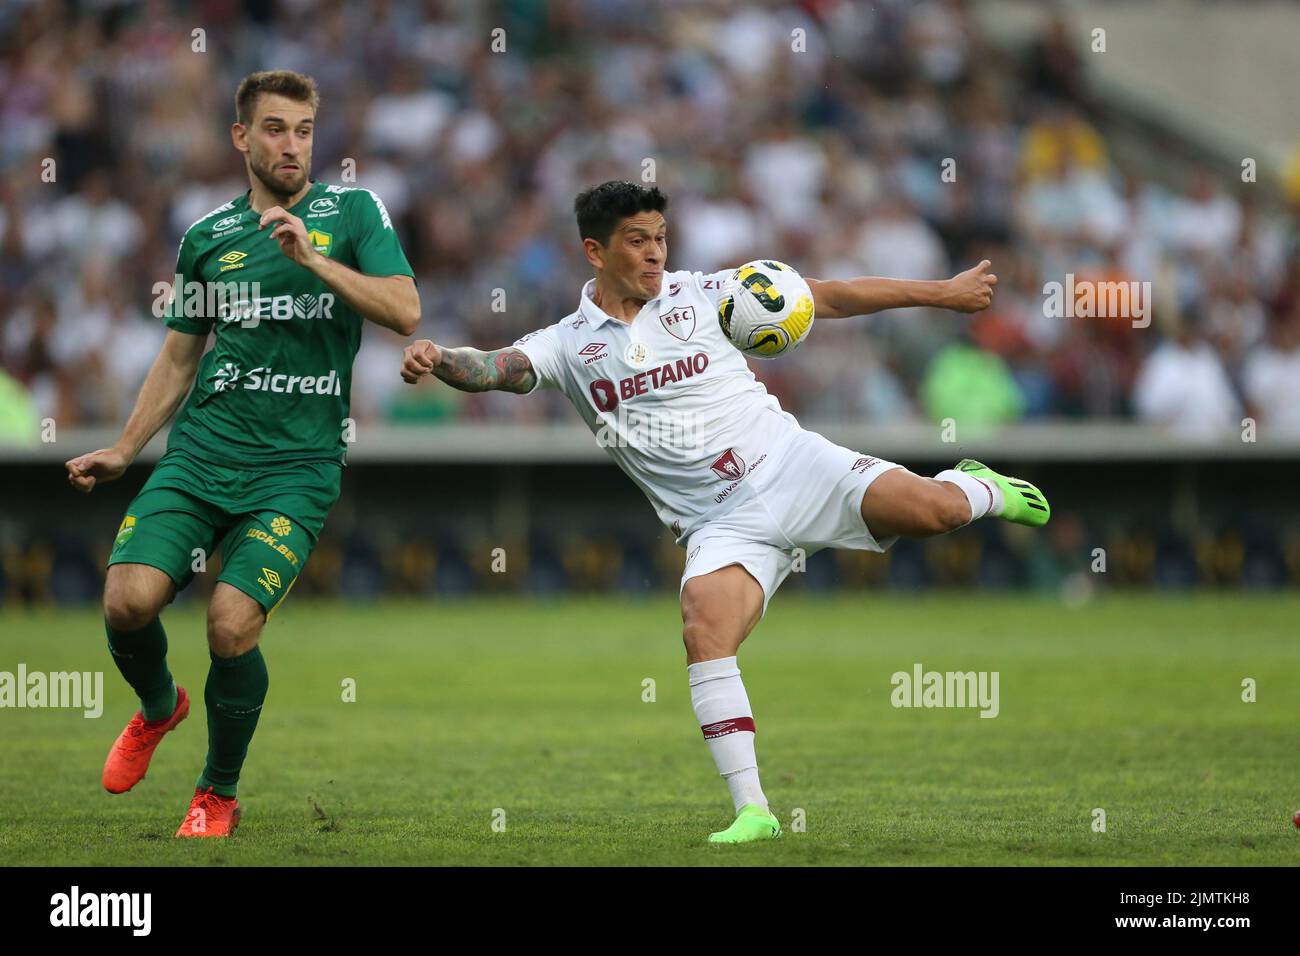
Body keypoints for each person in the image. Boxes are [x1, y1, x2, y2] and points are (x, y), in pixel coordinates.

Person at [399, 181, 1049, 843]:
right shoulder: (567, 344)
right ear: (595, 251)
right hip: (719, 525)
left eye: (660, 238)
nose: (655, 254)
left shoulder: (706, 294)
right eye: (637, 241)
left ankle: (981, 487)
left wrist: (942, 292)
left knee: (938, 511)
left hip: (793, 467)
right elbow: (494, 367)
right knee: (703, 627)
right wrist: (440, 359)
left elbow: (827, 295)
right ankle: (755, 811)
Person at [65, 70, 419, 838]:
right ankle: (160, 707)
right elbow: (179, 358)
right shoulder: (208, 238)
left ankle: (217, 791)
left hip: (296, 470)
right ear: (241, 137)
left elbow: (404, 308)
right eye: (274, 129)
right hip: (200, 455)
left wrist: (315, 262)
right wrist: (127, 448)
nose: (291, 144)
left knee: (230, 624)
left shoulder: (352, 212)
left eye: (302, 130)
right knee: (126, 601)